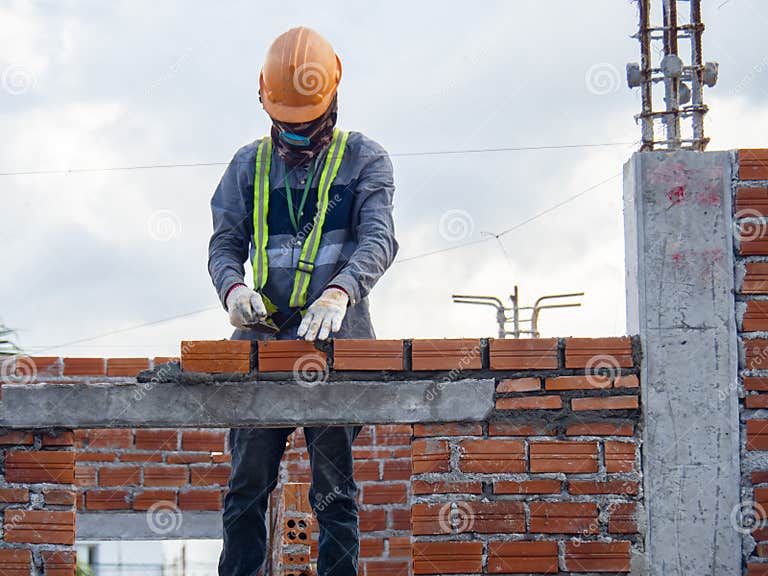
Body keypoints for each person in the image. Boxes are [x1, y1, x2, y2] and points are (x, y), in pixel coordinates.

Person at [208, 26, 398, 576]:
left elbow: (379, 238)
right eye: (287, 125)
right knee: (245, 491)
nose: (298, 136)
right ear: (265, 99)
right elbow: (224, 242)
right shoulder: (249, 164)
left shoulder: (365, 159)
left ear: (333, 96)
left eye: (308, 124)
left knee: (334, 494)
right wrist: (233, 288)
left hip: (335, 349)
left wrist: (341, 291)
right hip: (260, 350)